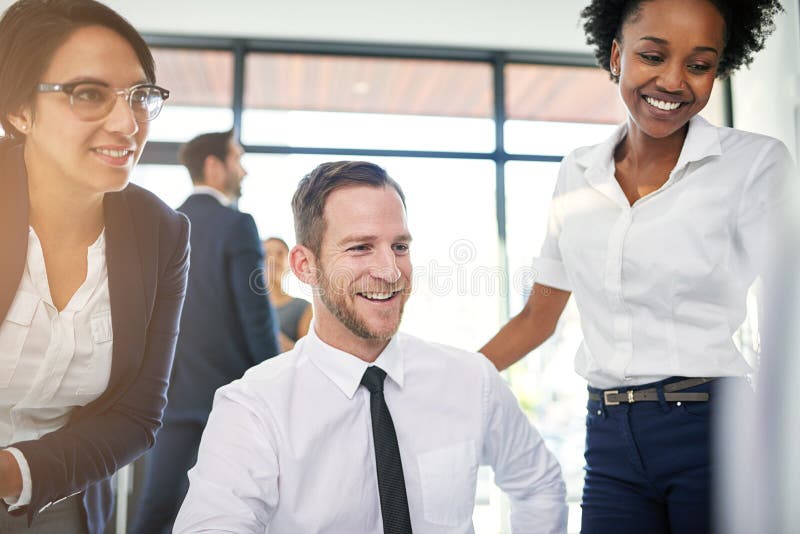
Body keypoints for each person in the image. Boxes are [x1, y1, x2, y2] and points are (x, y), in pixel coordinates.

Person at [479, 1, 793, 533]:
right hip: (608, 435)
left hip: (712, 429)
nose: (672, 81)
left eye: (699, 65)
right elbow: (538, 317)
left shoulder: (755, 165)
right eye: (652, 55)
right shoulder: (578, 173)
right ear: (617, 54)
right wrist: (443, 380)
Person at [174, 161, 568, 533]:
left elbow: (539, 484)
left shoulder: (469, 379)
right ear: (304, 265)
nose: (390, 271)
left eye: (399, 246)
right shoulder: (254, 407)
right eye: (360, 247)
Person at [0, 1, 188, 533]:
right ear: (18, 109)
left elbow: (137, 415)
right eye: (88, 94)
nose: (128, 123)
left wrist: (13, 473)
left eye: (140, 97)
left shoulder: (161, 234)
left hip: (61, 501)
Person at [131, 129, 281, 533]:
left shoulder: (159, 224)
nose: (244, 170)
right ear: (215, 166)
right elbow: (255, 317)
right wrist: (279, 383)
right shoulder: (237, 225)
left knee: (157, 508)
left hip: (170, 398)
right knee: (237, 512)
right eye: (238, 159)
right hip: (231, 398)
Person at [263, 236, 313, 352]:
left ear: (291, 264)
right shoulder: (246, 308)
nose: (273, 259)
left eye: (280, 254)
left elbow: (308, 357)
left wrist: (269, 332)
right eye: (266, 254)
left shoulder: (303, 307)